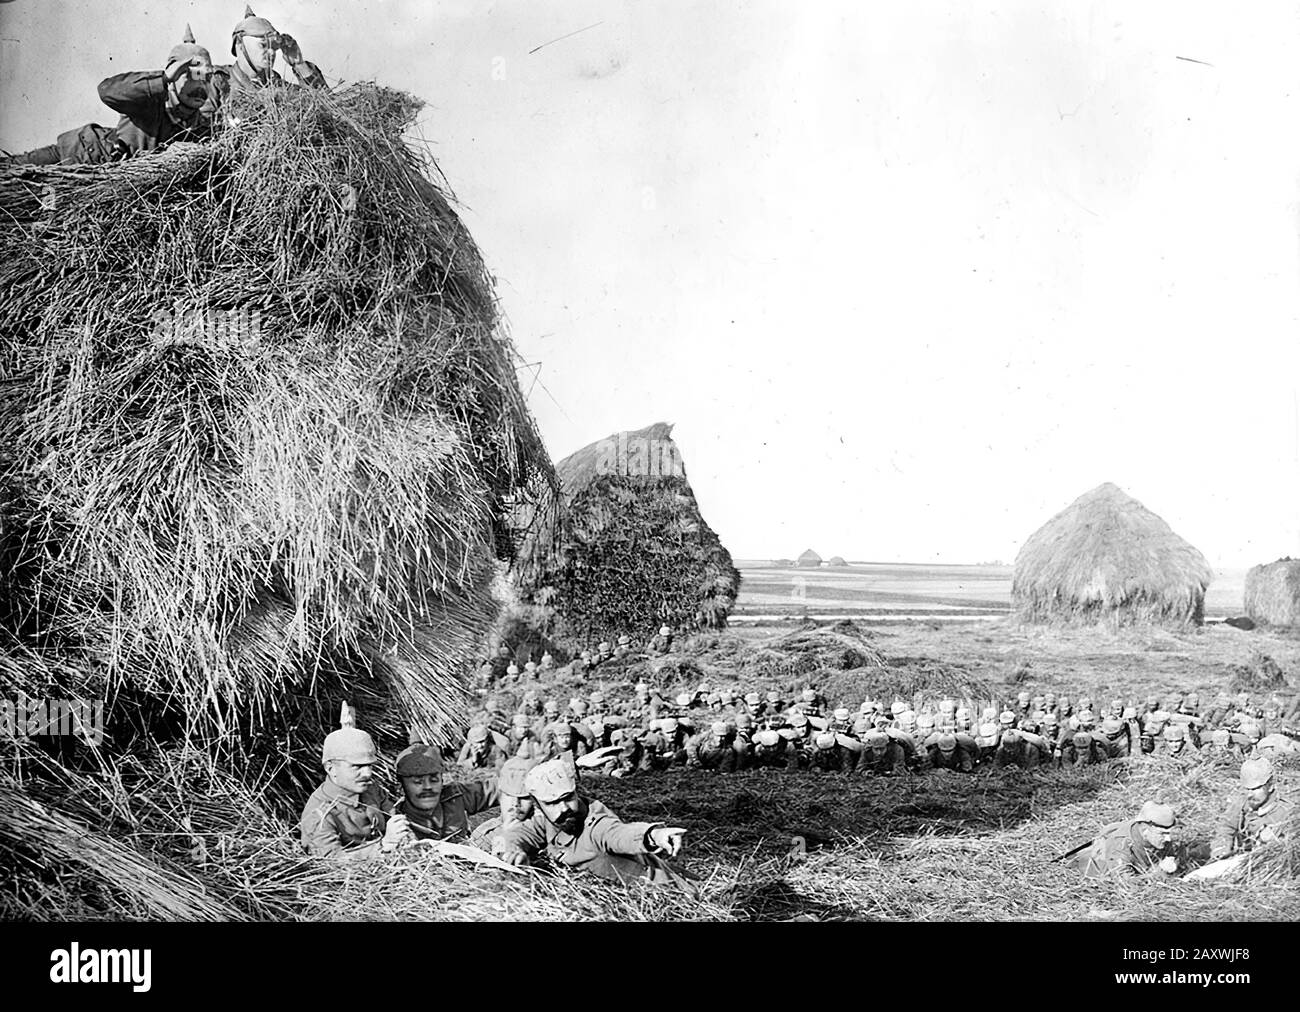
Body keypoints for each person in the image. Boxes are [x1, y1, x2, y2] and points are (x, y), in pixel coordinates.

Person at [5, 27, 218, 166]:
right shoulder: (151, 96)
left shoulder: (199, 127)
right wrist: (162, 79)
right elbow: (107, 91)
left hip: (104, 183)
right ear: (174, 75)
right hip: (77, 155)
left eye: (207, 78)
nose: (201, 86)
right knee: (10, 172)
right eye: (192, 76)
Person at [492, 759, 696, 894]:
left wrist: (654, 835)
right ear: (538, 805)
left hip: (660, 894)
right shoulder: (547, 821)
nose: (564, 808)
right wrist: (513, 852)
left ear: (576, 791)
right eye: (552, 803)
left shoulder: (596, 824)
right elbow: (518, 835)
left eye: (568, 797)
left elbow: (620, 834)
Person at [299, 725, 410, 861]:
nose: (367, 773)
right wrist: (384, 845)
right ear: (331, 768)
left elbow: (394, 818)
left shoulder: (371, 790)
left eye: (369, 765)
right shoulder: (318, 814)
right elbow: (332, 862)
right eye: (357, 766)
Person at [392, 743, 500, 843]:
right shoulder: (396, 821)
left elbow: (500, 787)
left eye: (434, 780)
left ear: (442, 780)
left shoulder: (455, 796)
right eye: (418, 782)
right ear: (402, 786)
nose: (428, 787)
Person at [213, 6, 326, 97]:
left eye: (274, 47)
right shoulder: (219, 82)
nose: (272, 53)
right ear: (239, 44)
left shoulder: (278, 86)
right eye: (263, 45)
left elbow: (327, 107)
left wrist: (300, 65)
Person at [1209, 758, 1294, 861]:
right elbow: (1226, 825)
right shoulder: (1243, 802)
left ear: (1270, 786)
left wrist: (1273, 841)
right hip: (1240, 858)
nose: (1249, 794)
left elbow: (1291, 847)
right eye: (1247, 789)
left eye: (1255, 789)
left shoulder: (1287, 811)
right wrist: (1222, 846)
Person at [1068, 802, 1180, 878]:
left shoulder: (1152, 833)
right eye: (1162, 834)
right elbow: (1127, 886)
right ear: (1145, 829)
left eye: (1169, 833)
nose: (1168, 839)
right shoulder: (1120, 845)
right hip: (1093, 870)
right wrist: (1159, 872)